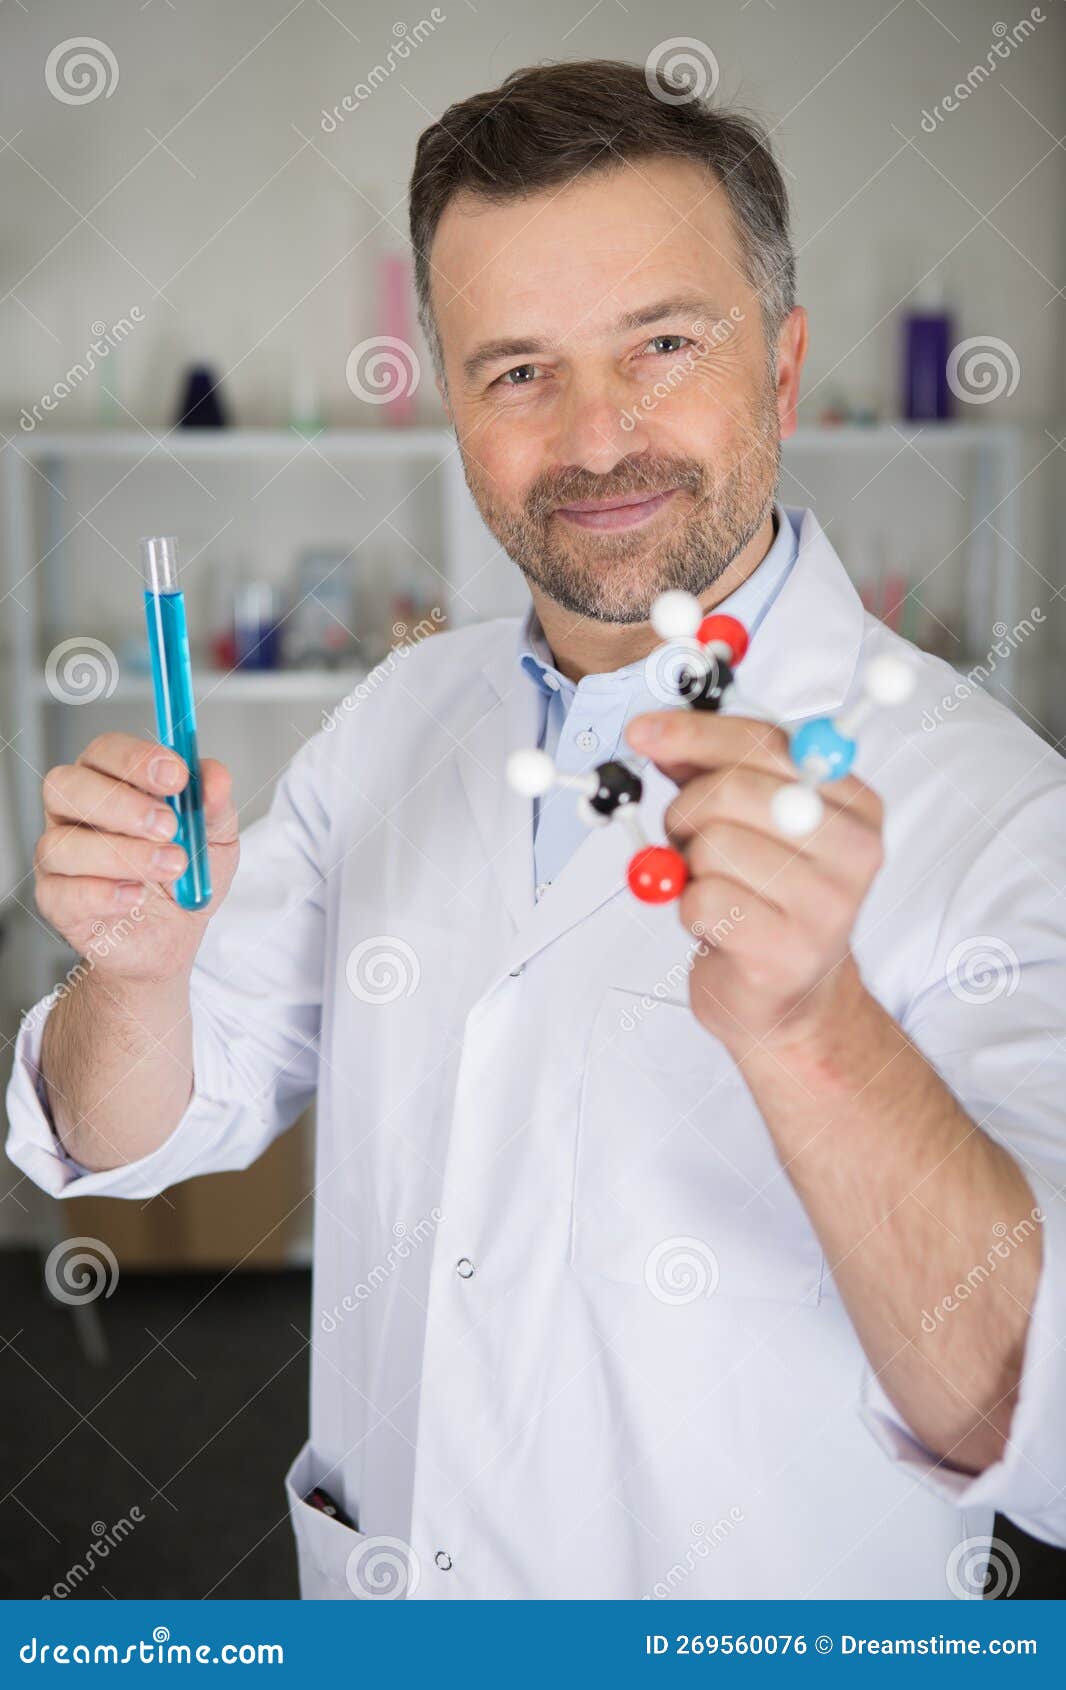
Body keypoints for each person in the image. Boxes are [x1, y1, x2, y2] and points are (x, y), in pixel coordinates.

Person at [7, 60, 1066, 1601]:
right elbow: (133, 1134)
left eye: (660, 343)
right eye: (517, 371)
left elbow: (1040, 1421)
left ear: (778, 370)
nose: (593, 437)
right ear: (452, 402)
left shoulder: (995, 809)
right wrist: (132, 973)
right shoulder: (394, 720)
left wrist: (812, 1034)